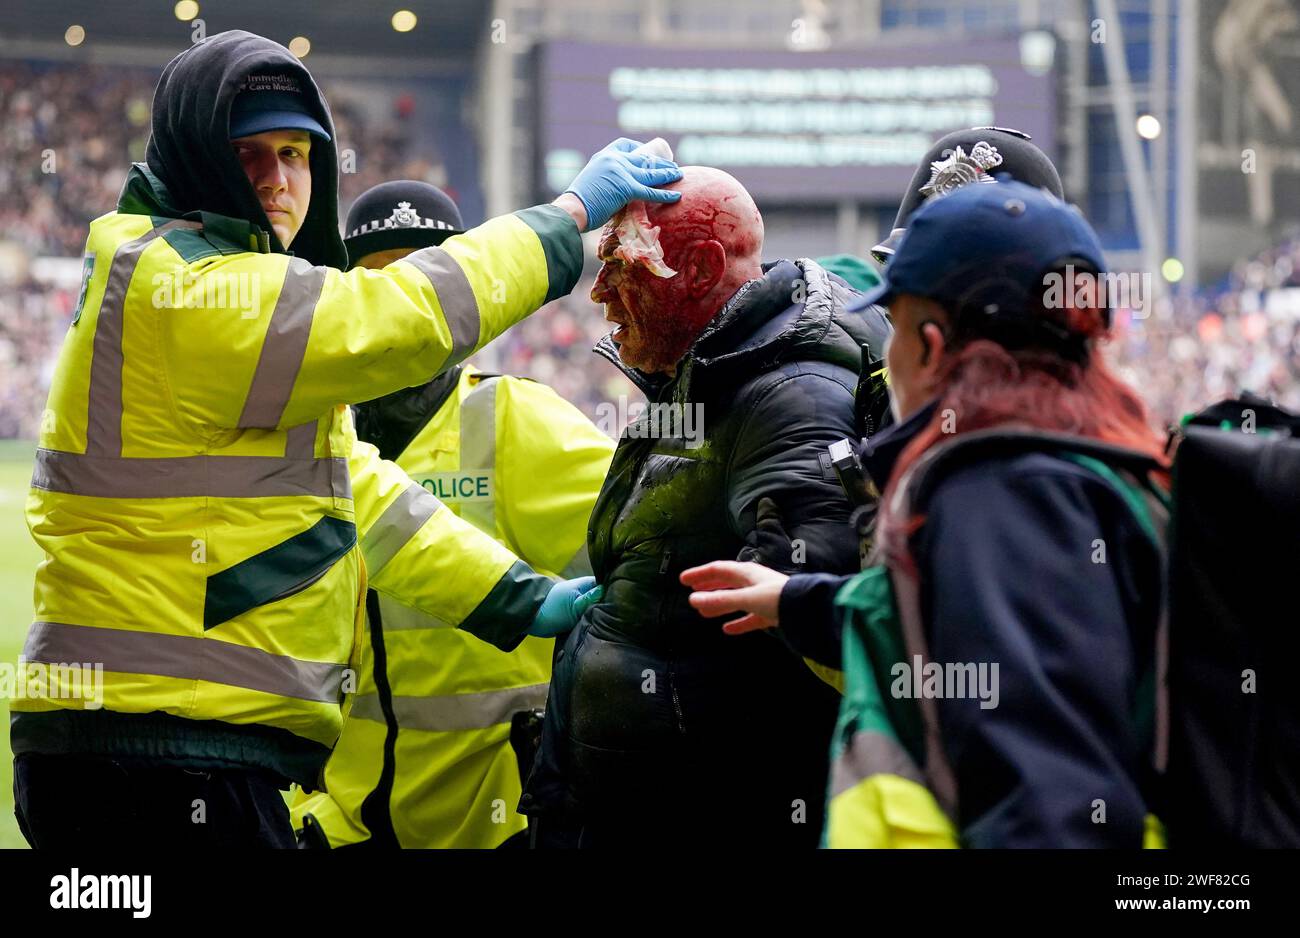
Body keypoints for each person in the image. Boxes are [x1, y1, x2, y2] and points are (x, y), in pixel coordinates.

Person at [11, 30, 680, 848]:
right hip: (153, 752)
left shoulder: (210, 296)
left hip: (166, 746)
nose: (278, 179)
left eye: (297, 154)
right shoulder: (189, 287)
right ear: (194, 157)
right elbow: (398, 320)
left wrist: (520, 598)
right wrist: (566, 221)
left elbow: (362, 499)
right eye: (249, 154)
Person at [683, 180, 1170, 848]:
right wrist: (797, 602)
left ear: (932, 346)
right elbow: (957, 619)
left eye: (897, 327)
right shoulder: (1098, 466)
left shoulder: (1000, 495)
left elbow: (1047, 803)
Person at [519, 166, 893, 848]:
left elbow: (824, 627)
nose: (598, 294)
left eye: (620, 267)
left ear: (699, 269)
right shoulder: (707, 376)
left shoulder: (791, 399)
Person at [292, 181, 616, 848]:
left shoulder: (515, 420)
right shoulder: (306, 438)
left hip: (498, 832)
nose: (407, 308)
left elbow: (647, 545)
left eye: (428, 277)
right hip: (336, 831)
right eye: (382, 281)